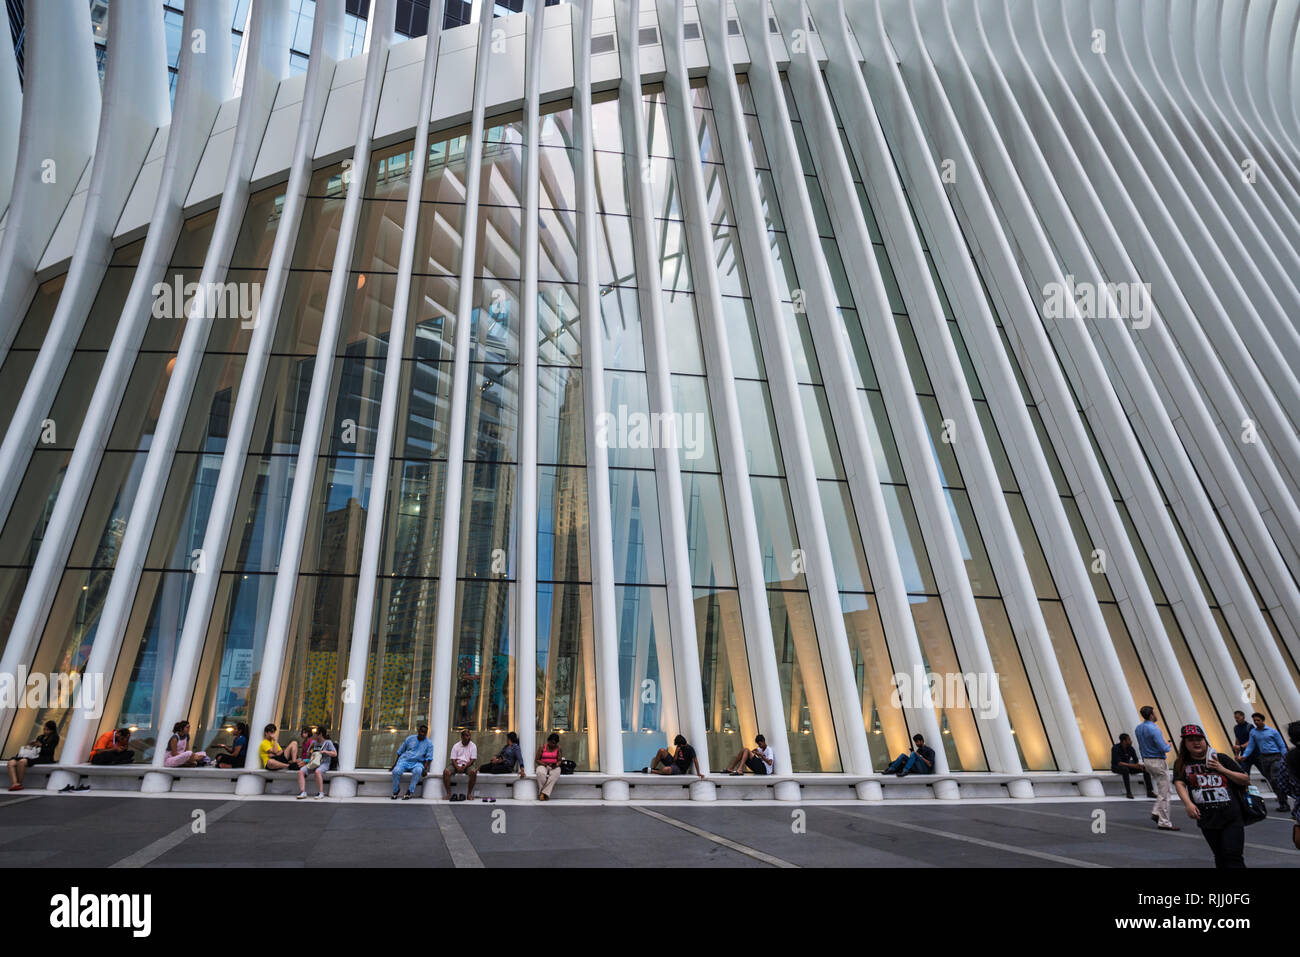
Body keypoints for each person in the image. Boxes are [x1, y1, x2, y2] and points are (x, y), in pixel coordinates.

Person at [1172, 723, 1249, 869]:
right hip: (1206, 817)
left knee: (1233, 856)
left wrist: (1221, 769)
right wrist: (1188, 804)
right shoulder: (1182, 763)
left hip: (1231, 815)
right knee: (1219, 855)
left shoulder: (1221, 758)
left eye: (1198, 739)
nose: (1196, 742)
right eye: (1190, 740)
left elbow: (1245, 779)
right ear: (1185, 744)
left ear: (1205, 740)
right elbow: (1179, 783)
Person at [1135, 706, 1178, 830]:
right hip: (1157, 761)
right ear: (1151, 715)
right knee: (1165, 792)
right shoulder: (1154, 729)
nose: (1156, 715)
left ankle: (1156, 813)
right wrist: (1169, 745)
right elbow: (1163, 748)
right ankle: (1164, 822)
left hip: (1147, 761)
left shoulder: (1138, 728)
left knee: (1163, 790)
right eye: (1154, 713)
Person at [1240, 712, 1290, 812]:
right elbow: (1251, 746)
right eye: (1254, 720)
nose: (1256, 722)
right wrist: (1244, 756)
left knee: (1275, 779)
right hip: (1263, 758)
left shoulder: (1273, 732)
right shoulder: (1253, 732)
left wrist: (1284, 758)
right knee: (1271, 780)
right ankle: (1282, 800)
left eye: (1258, 720)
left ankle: (1284, 803)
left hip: (1275, 757)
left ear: (1263, 721)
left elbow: (1282, 745)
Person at [7, 720, 59, 790]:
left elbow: (50, 750)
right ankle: (15, 783)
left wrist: (41, 745)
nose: (45, 731)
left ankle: (19, 783)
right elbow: (35, 749)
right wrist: (32, 744)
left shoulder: (55, 737)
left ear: (52, 730)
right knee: (11, 762)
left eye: (47, 730)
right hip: (34, 755)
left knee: (22, 762)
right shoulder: (41, 737)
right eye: (44, 729)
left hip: (44, 757)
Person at [390, 725, 434, 799]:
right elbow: (400, 751)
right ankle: (396, 790)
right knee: (396, 771)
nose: (422, 734)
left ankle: (409, 791)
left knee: (418, 770)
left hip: (417, 763)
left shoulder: (429, 743)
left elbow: (429, 758)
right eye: (421, 731)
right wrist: (394, 764)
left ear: (426, 733)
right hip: (404, 761)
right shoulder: (410, 739)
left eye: (424, 732)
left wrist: (425, 769)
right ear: (418, 731)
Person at [1110, 733, 1154, 799]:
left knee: (1145, 769)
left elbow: (1135, 760)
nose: (1131, 741)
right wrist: (1133, 765)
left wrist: (1139, 766)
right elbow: (1119, 763)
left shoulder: (1131, 748)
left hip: (1128, 766)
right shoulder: (1115, 748)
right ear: (1124, 741)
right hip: (1116, 767)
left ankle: (1150, 791)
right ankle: (1128, 792)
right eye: (1129, 739)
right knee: (1125, 770)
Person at [296, 727, 336, 799]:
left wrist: (325, 752)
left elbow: (334, 754)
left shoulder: (328, 742)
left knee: (317, 772)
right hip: (313, 763)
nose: (313, 735)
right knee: (301, 771)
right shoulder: (314, 742)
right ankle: (303, 792)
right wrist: (310, 748)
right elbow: (308, 755)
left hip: (324, 763)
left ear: (320, 734)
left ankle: (321, 793)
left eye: (315, 733)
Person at [443, 729, 478, 800]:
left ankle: (469, 794)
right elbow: (453, 759)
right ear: (462, 737)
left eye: (469, 736)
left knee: (473, 772)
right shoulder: (456, 746)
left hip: (468, 765)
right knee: (446, 771)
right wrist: (458, 767)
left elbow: (473, 759)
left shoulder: (473, 746)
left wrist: (465, 767)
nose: (469, 738)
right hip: (456, 764)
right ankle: (448, 794)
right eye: (467, 736)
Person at [535, 732, 562, 801]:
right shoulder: (542, 747)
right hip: (543, 765)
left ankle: (543, 793)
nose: (553, 745)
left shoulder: (558, 748)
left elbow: (559, 760)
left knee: (555, 774)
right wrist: (545, 764)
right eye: (552, 743)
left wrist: (556, 765)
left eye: (555, 743)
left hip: (554, 766)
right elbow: (537, 759)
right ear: (548, 741)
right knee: (540, 773)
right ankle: (545, 793)